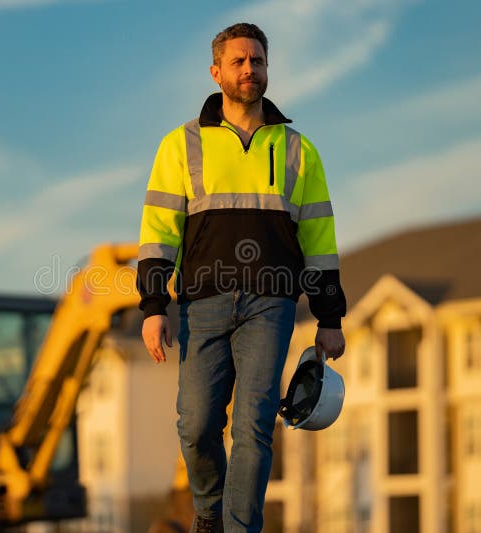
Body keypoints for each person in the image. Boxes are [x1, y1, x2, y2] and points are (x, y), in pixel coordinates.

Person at [136, 23, 346, 533]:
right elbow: (158, 231)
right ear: (216, 72)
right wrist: (153, 307)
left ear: (268, 69)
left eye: (258, 61)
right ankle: (209, 514)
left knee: (253, 425)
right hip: (201, 304)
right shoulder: (180, 145)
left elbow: (319, 240)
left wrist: (329, 317)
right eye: (238, 61)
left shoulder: (298, 150)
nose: (249, 69)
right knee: (197, 424)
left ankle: (238, 528)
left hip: (270, 304)